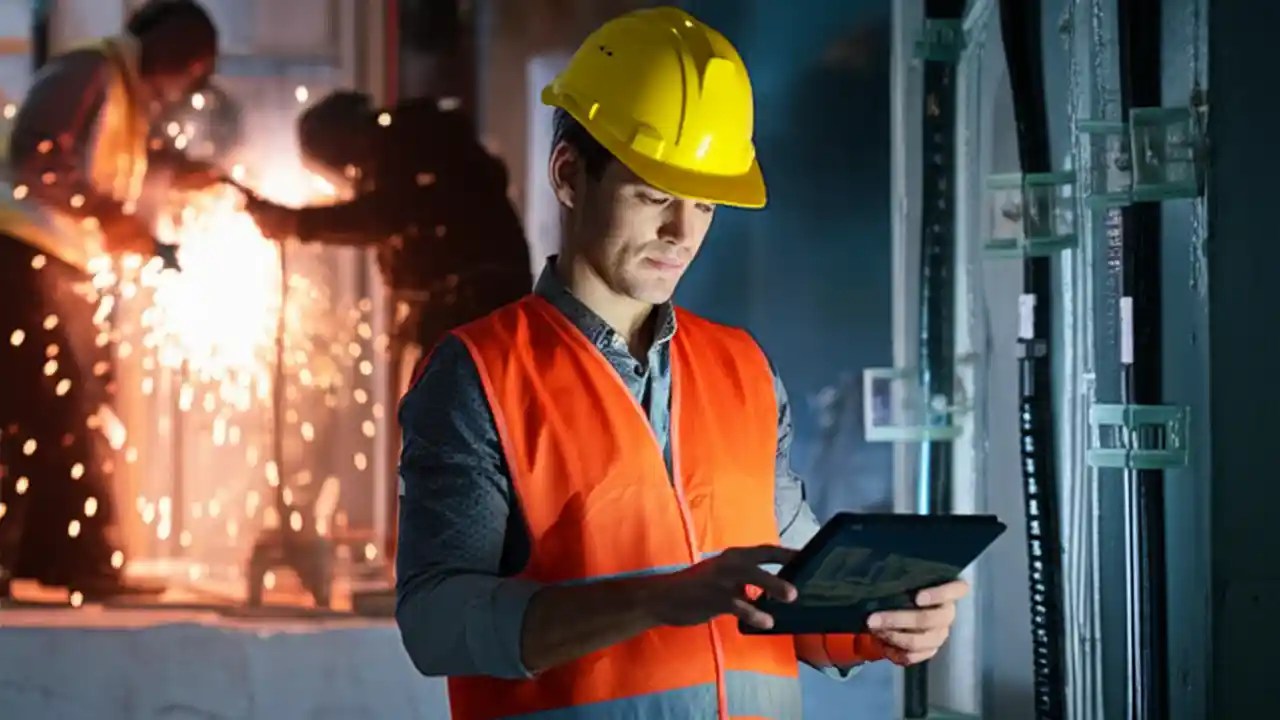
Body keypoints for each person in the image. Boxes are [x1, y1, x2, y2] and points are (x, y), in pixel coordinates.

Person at [394, 7, 968, 719]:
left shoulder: (743, 369)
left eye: (705, 205)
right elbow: (437, 624)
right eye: (656, 196)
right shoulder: (477, 374)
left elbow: (788, 602)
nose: (682, 233)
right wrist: (656, 598)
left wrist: (878, 623)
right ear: (569, 175)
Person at [243, 90, 531, 559]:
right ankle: (456, 550)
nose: (351, 181)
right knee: (453, 430)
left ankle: (465, 555)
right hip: (471, 305)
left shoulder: (408, 146)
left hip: (473, 305)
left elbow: (386, 215)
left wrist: (296, 223)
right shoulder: (419, 146)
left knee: (458, 433)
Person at [0, 0, 222, 599]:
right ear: (181, 55)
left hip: (56, 260)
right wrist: (123, 224)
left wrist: (181, 179)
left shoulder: (119, 94)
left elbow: (114, 169)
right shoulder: (87, 72)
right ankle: (80, 564)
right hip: (18, 254)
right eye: (192, 70)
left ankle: (50, 560)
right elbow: (39, 160)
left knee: (52, 413)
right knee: (59, 412)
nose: (185, 85)